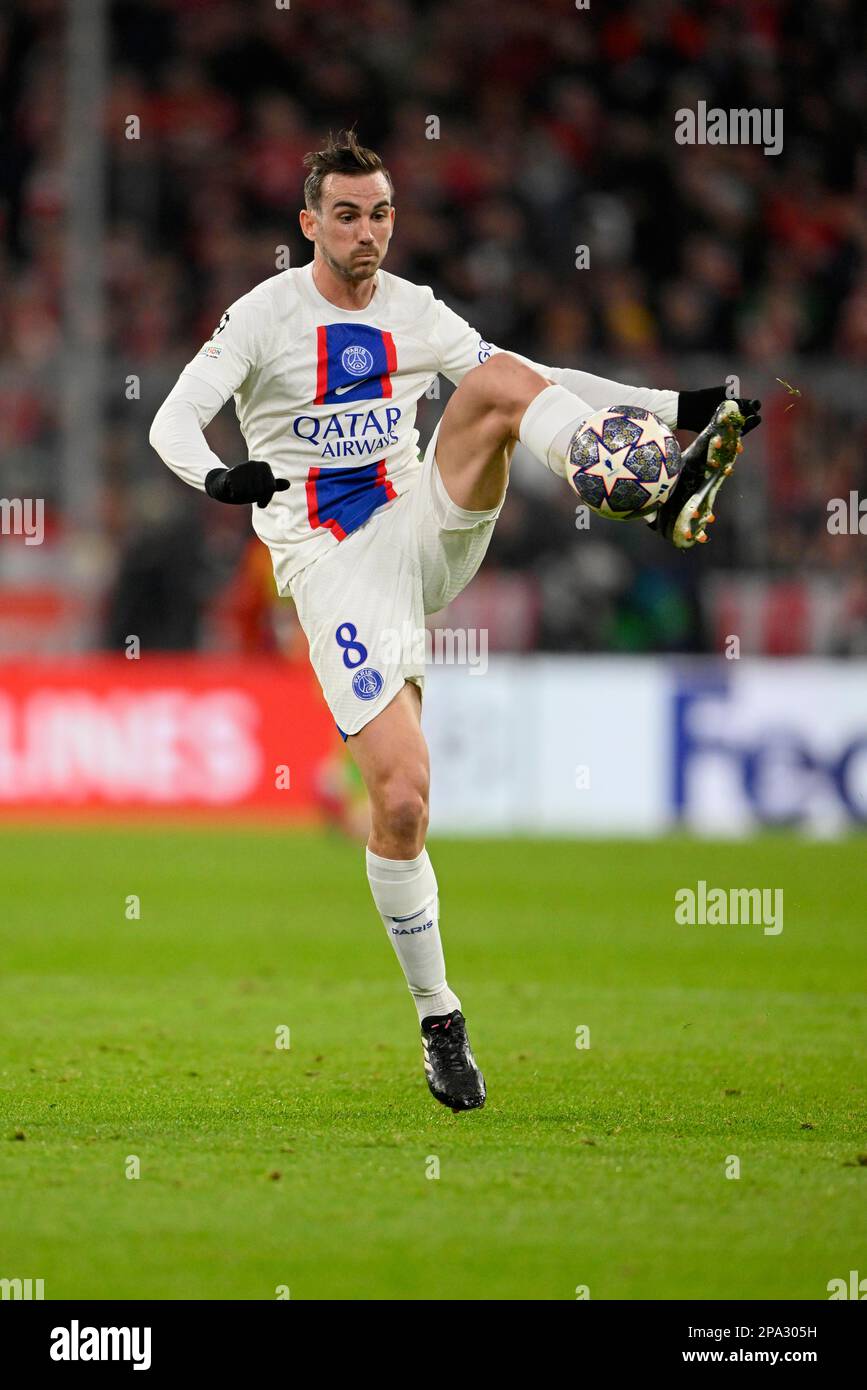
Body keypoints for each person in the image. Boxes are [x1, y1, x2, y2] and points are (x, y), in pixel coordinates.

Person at [150, 130, 761, 1113]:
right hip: (336, 570)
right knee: (401, 801)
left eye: (380, 211)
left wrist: (674, 403)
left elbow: (531, 373)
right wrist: (221, 475)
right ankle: (439, 1017)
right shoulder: (261, 318)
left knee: (496, 384)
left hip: (424, 526)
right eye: (345, 214)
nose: (366, 230)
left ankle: (656, 489)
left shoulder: (415, 313)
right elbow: (170, 420)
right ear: (310, 224)